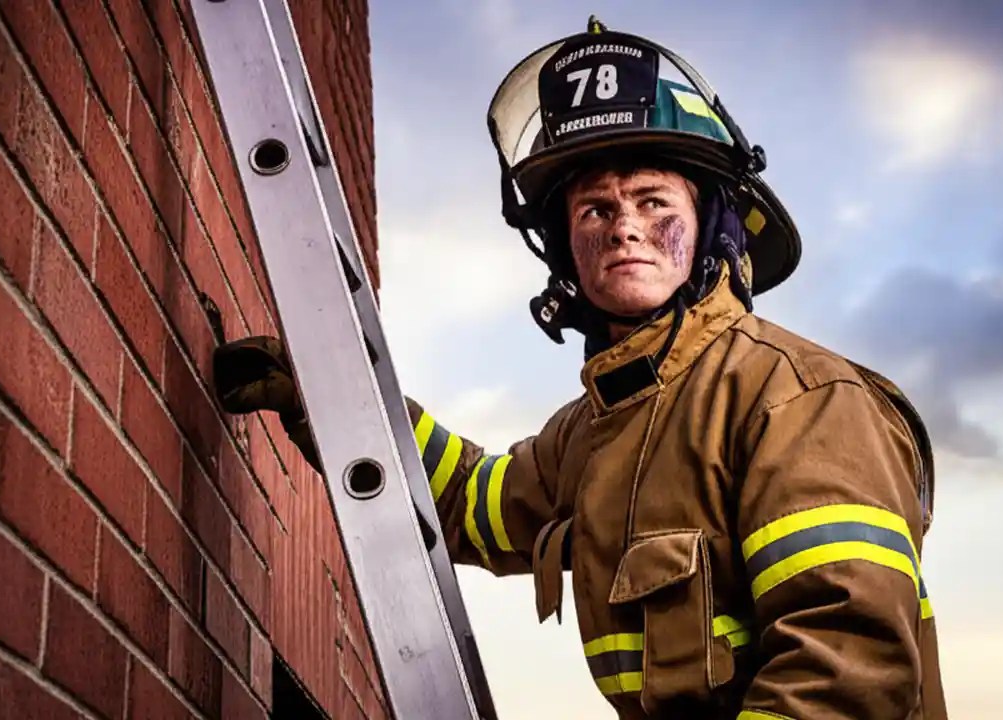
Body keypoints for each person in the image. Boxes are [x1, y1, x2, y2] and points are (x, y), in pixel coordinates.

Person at [213, 17, 947, 720]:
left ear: (712, 226)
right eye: (594, 210)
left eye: (652, 200)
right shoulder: (596, 431)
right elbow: (473, 502)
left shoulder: (799, 398)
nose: (623, 224)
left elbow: (846, 667)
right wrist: (336, 399)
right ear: (566, 253)